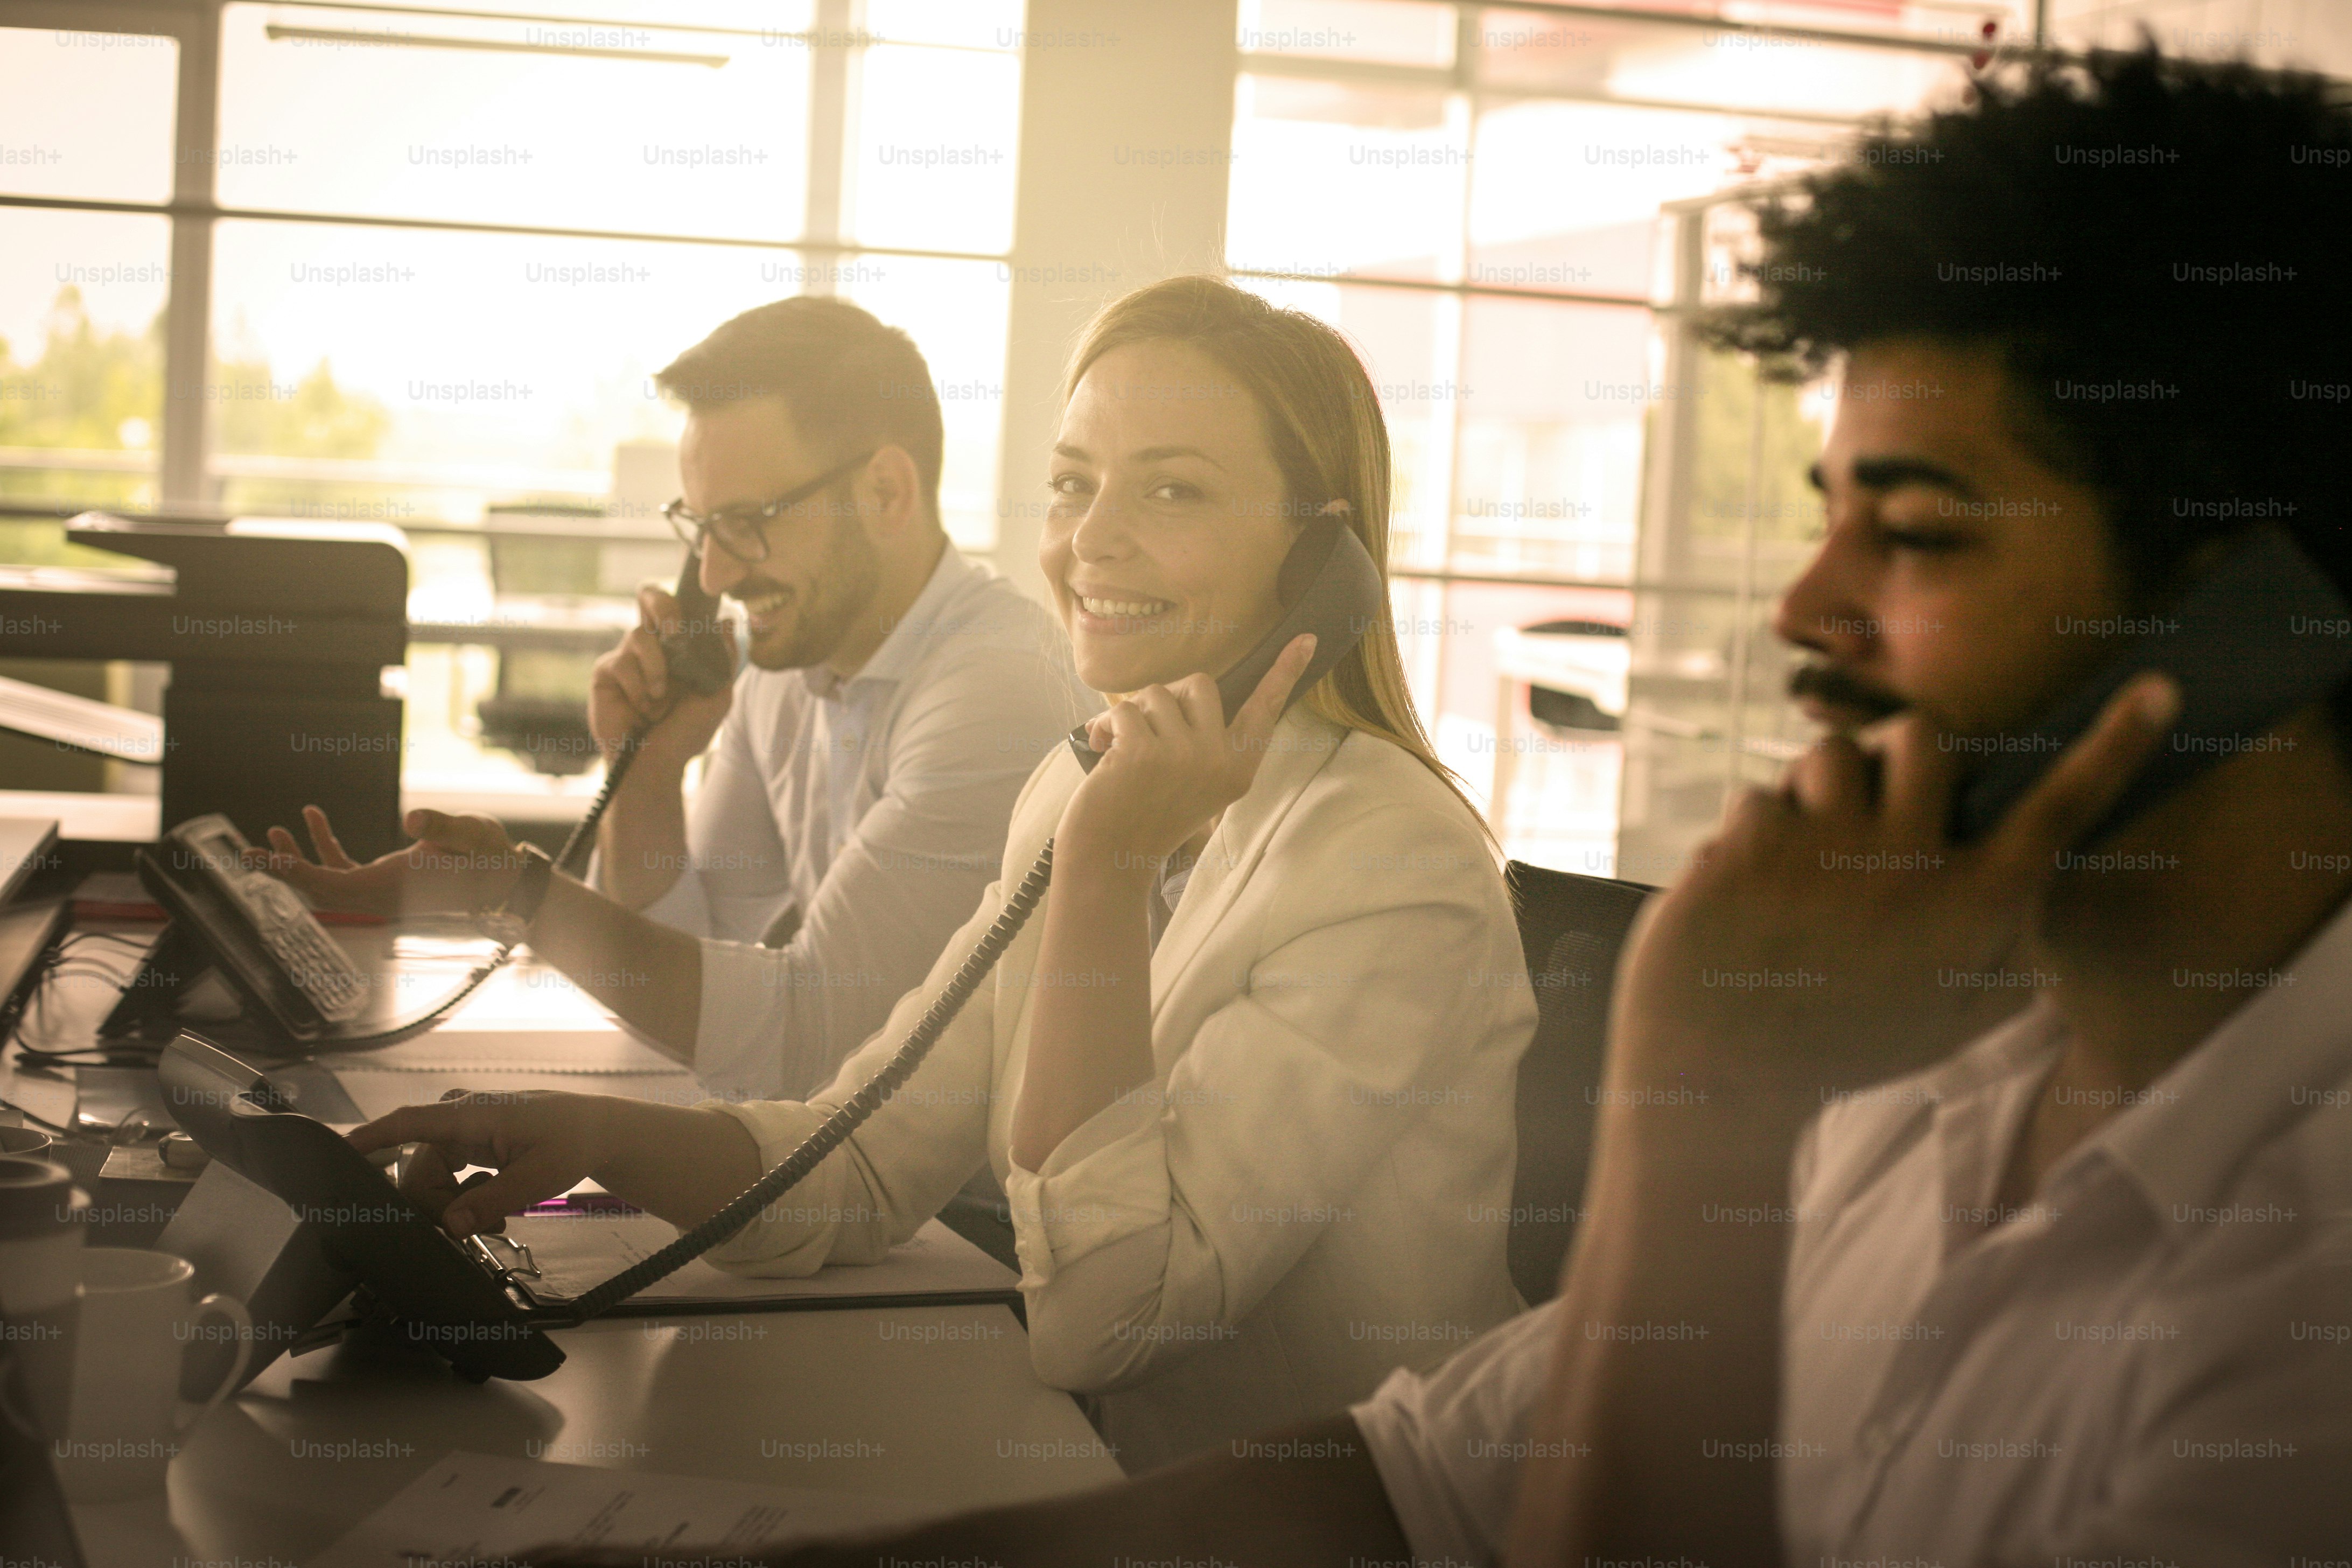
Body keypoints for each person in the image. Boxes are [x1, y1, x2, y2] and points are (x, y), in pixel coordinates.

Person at [524, 45, 2352, 1568]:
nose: (1800, 611)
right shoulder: (1935, 1095)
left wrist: (1702, 1101)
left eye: (1920, 530)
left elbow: (1105, 1318)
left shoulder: (2289, 1314)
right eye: (1078, 484)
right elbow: (1417, 1480)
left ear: (2251, 627)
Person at [346, 276, 1541, 1473]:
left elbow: (1103, 1320)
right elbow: (860, 1164)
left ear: (1320, 555)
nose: (1089, 542)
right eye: (1074, 485)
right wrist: (593, 1137)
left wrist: (1105, 870)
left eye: (1172, 488)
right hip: (1110, 1483)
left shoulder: (1388, 865)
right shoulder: (1086, 784)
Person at [267, 298, 1099, 1101]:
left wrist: (512, 892)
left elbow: (809, 1039)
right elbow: (693, 980)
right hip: (849, 1180)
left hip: (984, 1225)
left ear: (884, 492)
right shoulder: (781, 666)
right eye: (700, 529)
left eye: (747, 522)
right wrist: (648, 772)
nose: (714, 577)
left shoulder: (996, 691)